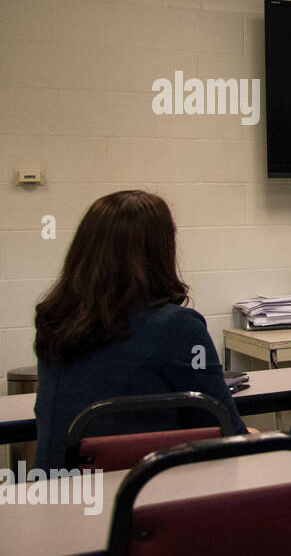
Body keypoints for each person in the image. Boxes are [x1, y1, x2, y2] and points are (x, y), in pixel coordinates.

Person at [33, 191, 248, 470]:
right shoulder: (177, 327)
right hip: (134, 495)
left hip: (56, 494)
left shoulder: (55, 319)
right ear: (161, 249)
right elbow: (225, 429)